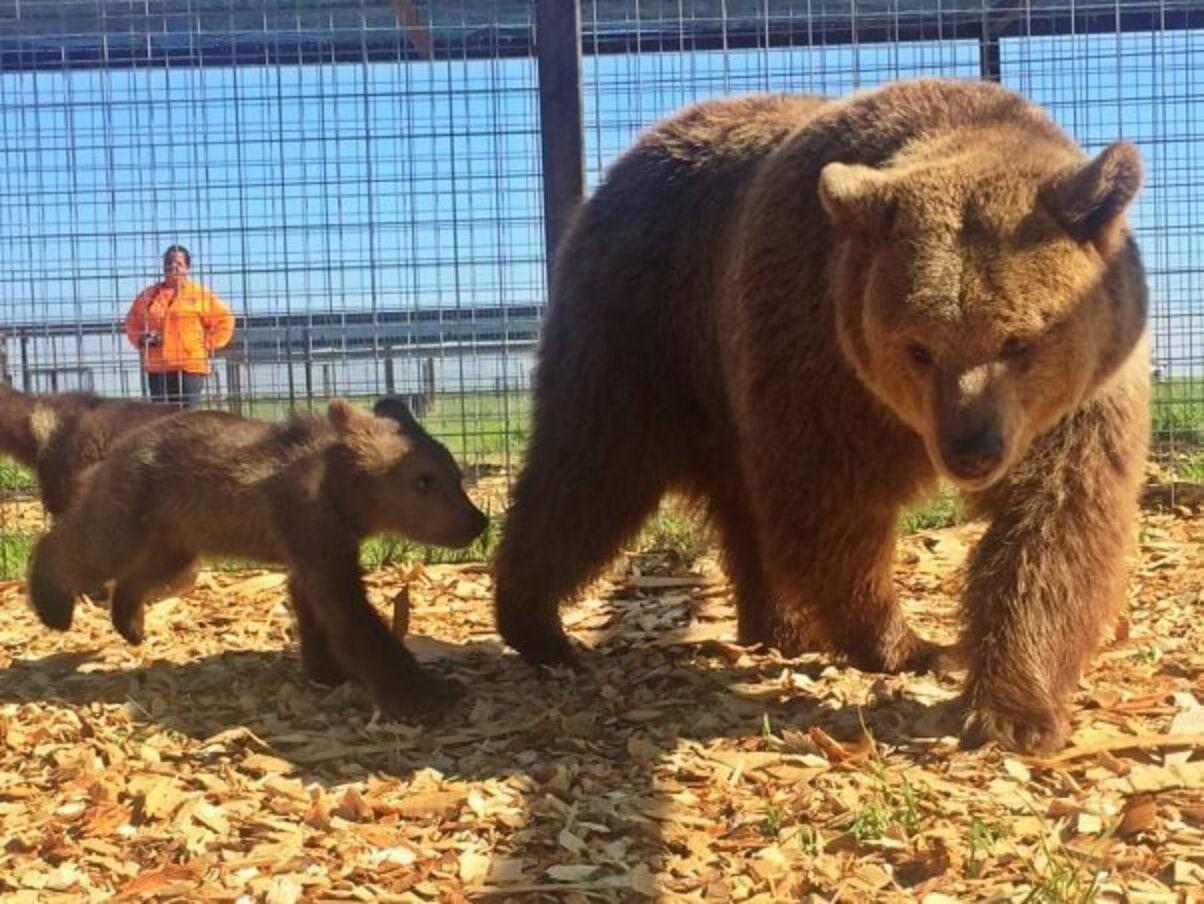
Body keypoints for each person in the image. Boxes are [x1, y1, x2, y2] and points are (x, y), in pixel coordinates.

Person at [125, 245, 235, 409]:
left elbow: (225, 320)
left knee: (187, 419)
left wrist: (207, 343)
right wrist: (141, 339)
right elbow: (132, 322)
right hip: (158, 367)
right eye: (168, 262)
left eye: (178, 263)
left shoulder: (199, 294)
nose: (173, 266)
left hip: (190, 366)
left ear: (187, 268)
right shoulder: (149, 295)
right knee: (160, 420)